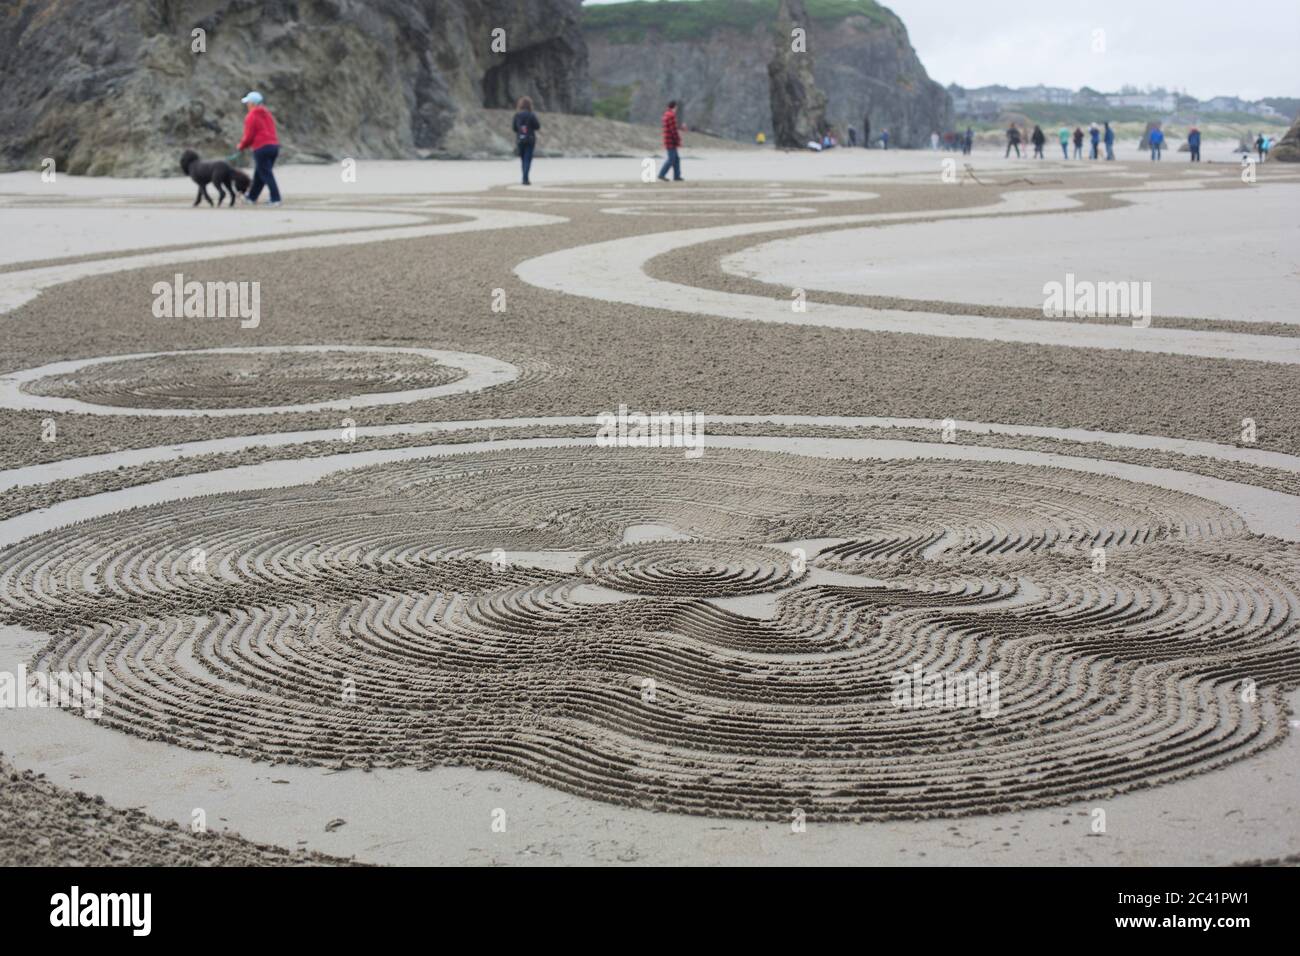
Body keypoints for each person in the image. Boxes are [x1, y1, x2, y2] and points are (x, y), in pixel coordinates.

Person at [235, 91, 280, 206]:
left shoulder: (251, 116)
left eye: (248, 103)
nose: (247, 105)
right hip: (274, 147)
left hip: (261, 148)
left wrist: (241, 146)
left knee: (265, 173)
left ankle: (276, 199)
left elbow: (249, 135)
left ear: (252, 103)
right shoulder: (268, 114)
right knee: (260, 173)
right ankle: (251, 197)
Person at [511, 96, 540, 185]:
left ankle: (524, 177)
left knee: (523, 159)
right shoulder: (532, 115)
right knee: (528, 159)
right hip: (530, 139)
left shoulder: (517, 115)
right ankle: (525, 178)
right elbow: (537, 126)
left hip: (520, 139)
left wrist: (520, 129)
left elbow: (514, 128)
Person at [658, 100, 683, 181]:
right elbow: (673, 130)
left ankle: (677, 176)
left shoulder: (666, 114)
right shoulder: (671, 115)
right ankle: (661, 174)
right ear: (675, 106)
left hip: (667, 139)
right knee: (671, 159)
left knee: (676, 159)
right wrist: (678, 140)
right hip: (671, 141)